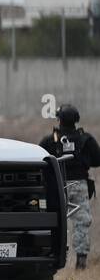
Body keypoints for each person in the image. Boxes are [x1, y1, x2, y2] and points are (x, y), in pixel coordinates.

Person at [40, 104, 100, 270]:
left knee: (55, 221)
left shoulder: (49, 140)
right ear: (76, 120)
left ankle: (53, 258)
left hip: (57, 187)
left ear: (59, 120)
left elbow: (41, 162)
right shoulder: (85, 138)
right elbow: (97, 159)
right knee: (82, 221)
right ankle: (81, 262)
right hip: (80, 186)